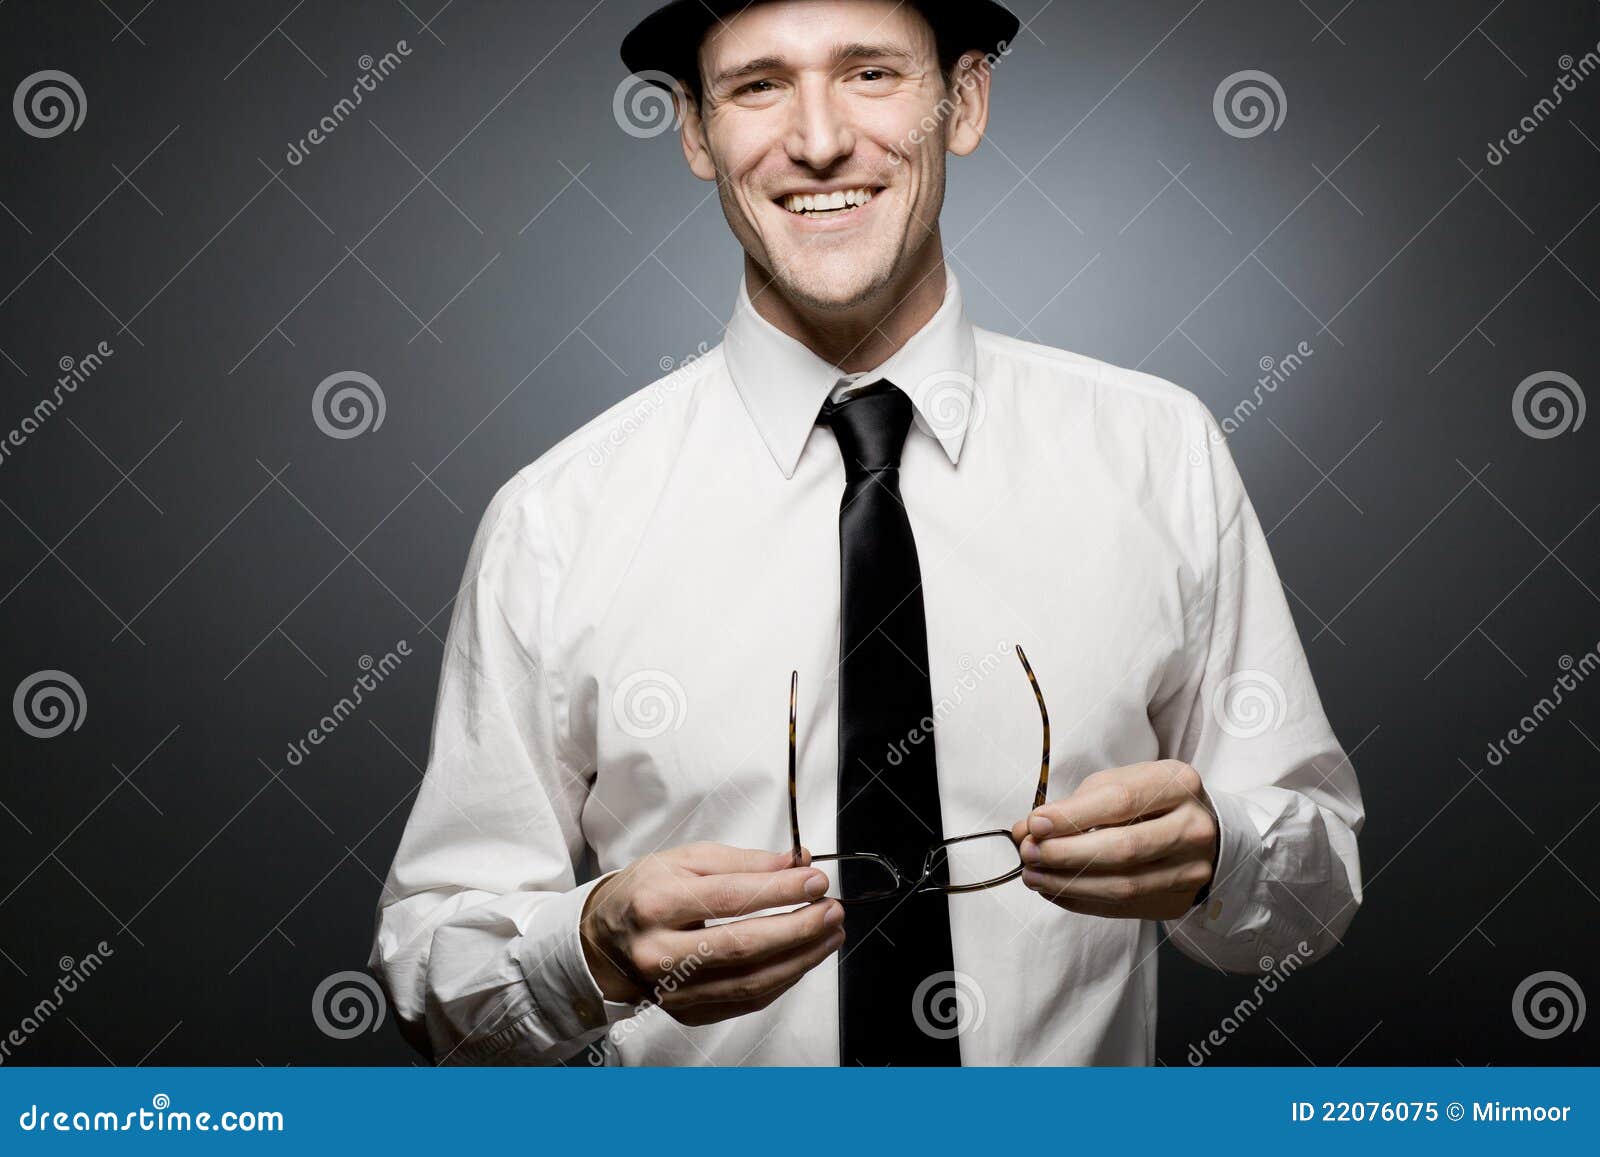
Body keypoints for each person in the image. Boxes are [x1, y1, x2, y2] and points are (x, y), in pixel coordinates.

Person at [368, 0, 1364, 1066]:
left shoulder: (1158, 453)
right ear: (696, 131)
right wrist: (590, 953)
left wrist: (1225, 854)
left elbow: (1313, 897)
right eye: (759, 85)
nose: (818, 139)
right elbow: (433, 973)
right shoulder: (557, 520)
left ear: (963, 101)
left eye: (870, 73)